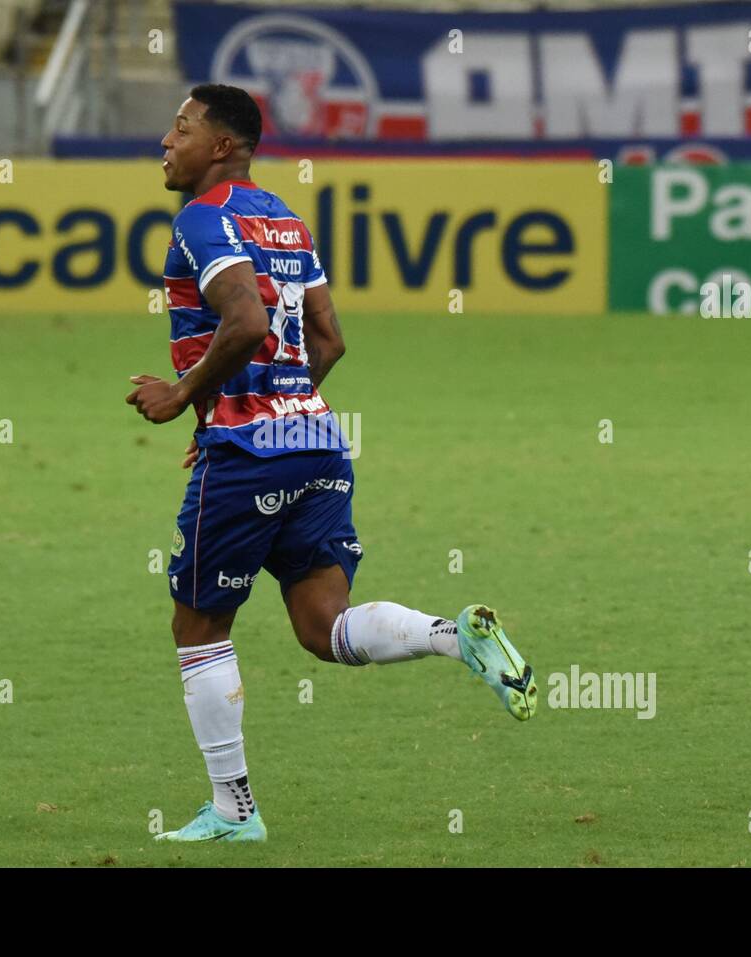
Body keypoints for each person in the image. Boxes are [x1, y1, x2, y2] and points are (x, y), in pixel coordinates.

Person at [126, 84, 538, 843]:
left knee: (199, 626)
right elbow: (329, 340)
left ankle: (233, 811)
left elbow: (247, 321)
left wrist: (186, 393)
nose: (166, 141)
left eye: (180, 129)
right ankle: (456, 637)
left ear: (221, 146)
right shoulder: (284, 219)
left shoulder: (203, 219)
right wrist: (268, 405)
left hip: (248, 456)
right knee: (324, 626)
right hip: (313, 441)